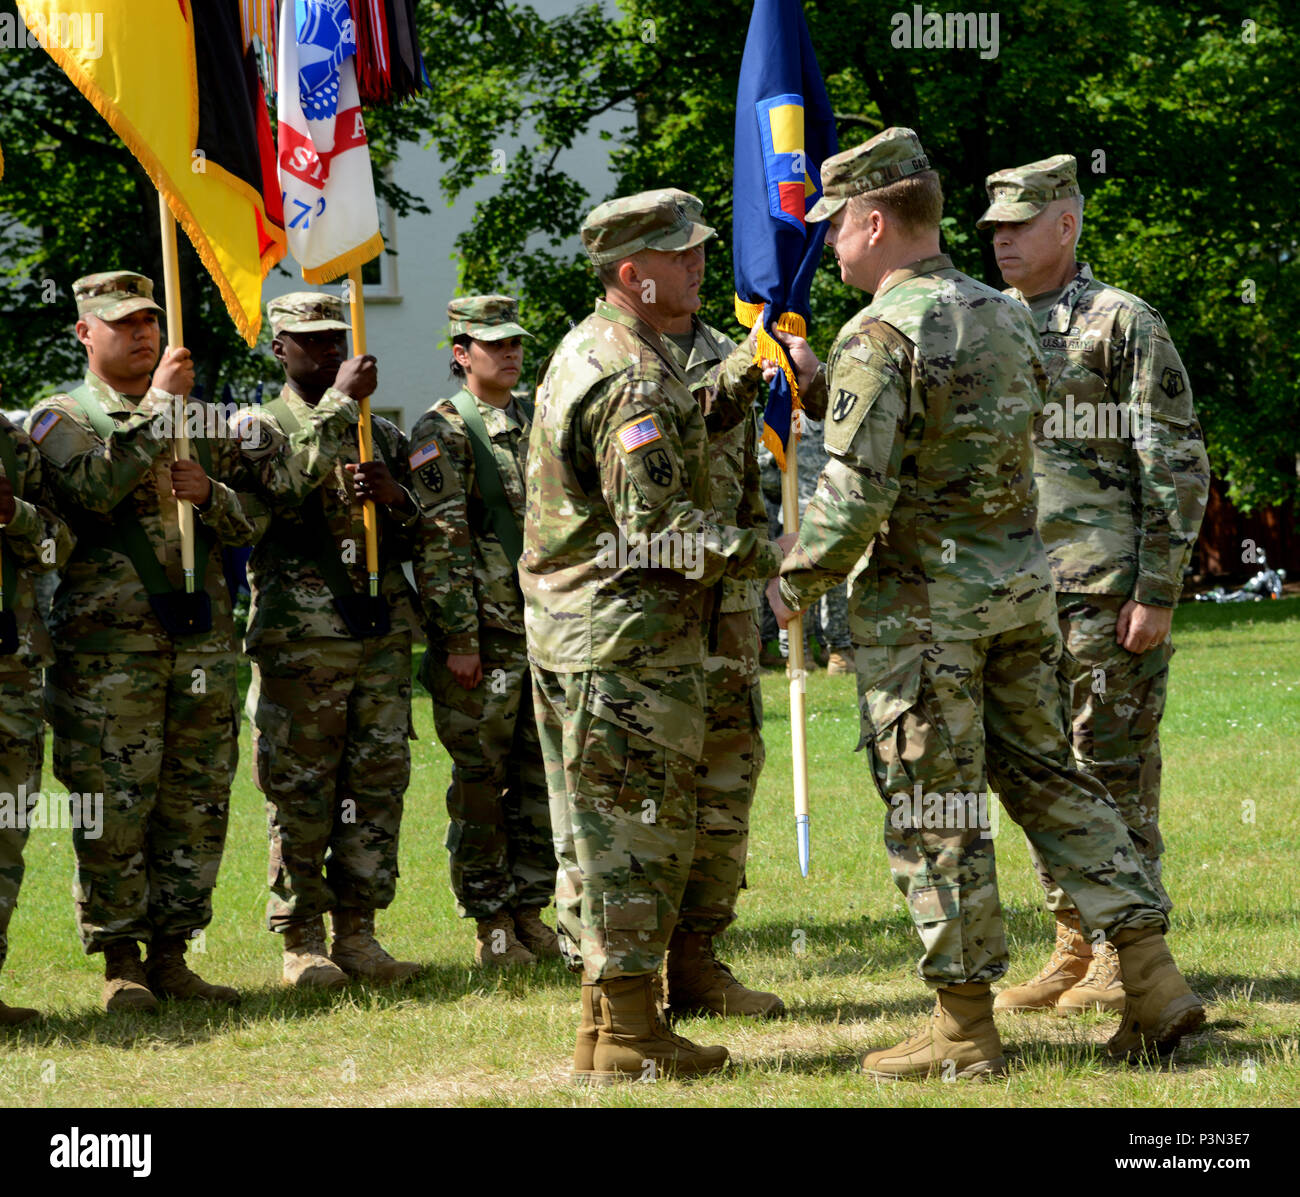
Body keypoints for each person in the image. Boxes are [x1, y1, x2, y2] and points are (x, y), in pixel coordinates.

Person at [768, 129, 1205, 1078]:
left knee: (938, 806)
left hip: (927, 616)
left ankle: (964, 1029)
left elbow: (856, 496)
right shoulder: (1002, 316)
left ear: (874, 221)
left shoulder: (878, 332)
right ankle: (1154, 979)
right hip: (1021, 599)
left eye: (837, 226)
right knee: (1055, 780)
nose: (832, 245)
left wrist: (788, 582)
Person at [522, 190, 787, 1082]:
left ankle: (614, 1025)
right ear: (633, 275)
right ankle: (631, 1034)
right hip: (624, 642)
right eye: (682, 255)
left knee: (615, 831)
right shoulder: (629, 375)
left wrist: (721, 395)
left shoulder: (611, 348)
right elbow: (658, 528)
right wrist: (776, 553)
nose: (701, 265)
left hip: (601, 638)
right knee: (632, 836)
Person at [978, 154, 1211, 1014]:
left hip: (1106, 591)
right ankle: (1072, 941)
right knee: (1042, 773)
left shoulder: (1122, 322)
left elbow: (1176, 460)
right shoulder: (985, 322)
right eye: (993, 227)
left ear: (1065, 225)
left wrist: (1157, 588)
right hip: (1014, 595)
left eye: (1018, 224)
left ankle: (1129, 948)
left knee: (1112, 770)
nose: (1001, 240)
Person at [32, 271, 261, 1011]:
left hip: (200, 646)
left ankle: (173, 954)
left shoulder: (200, 419)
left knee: (194, 804)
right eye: (123, 323)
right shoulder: (58, 416)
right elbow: (93, 490)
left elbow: (250, 524)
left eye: (149, 322)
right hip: (109, 656)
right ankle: (121, 961)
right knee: (114, 805)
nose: (141, 334)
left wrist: (213, 495)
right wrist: (161, 404)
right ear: (84, 333)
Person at [234, 292, 420, 989]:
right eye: (309, 341)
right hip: (300, 643)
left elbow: (424, 531)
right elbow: (279, 493)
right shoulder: (258, 427)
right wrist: (338, 404)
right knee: (302, 789)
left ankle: (361, 933)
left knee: (375, 785)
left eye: (335, 337)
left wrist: (397, 498)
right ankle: (303, 938)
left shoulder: (378, 431)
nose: (329, 350)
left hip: (377, 634)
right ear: (279, 348)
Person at [648, 189, 792, 1019]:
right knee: (650, 789)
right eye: (685, 255)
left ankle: (699, 956)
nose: (702, 267)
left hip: (728, 612)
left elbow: (741, 478)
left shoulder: (723, 349)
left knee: (728, 780)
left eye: (707, 252)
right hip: (651, 618)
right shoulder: (616, 362)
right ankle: (630, 975)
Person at [410, 294, 557, 968]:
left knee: (541, 778)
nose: (509, 352)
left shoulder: (539, 419)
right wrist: (460, 640)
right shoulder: (442, 430)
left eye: (515, 341)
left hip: (547, 630)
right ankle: (490, 920)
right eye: (491, 342)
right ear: (460, 352)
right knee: (480, 783)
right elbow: (442, 541)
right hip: (486, 639)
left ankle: (531, 910)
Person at [0, 400, 74, 1025]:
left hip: (10, 671)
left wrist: (15, 514)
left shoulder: (13, 445)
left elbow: (58, 550)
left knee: (5, 832)